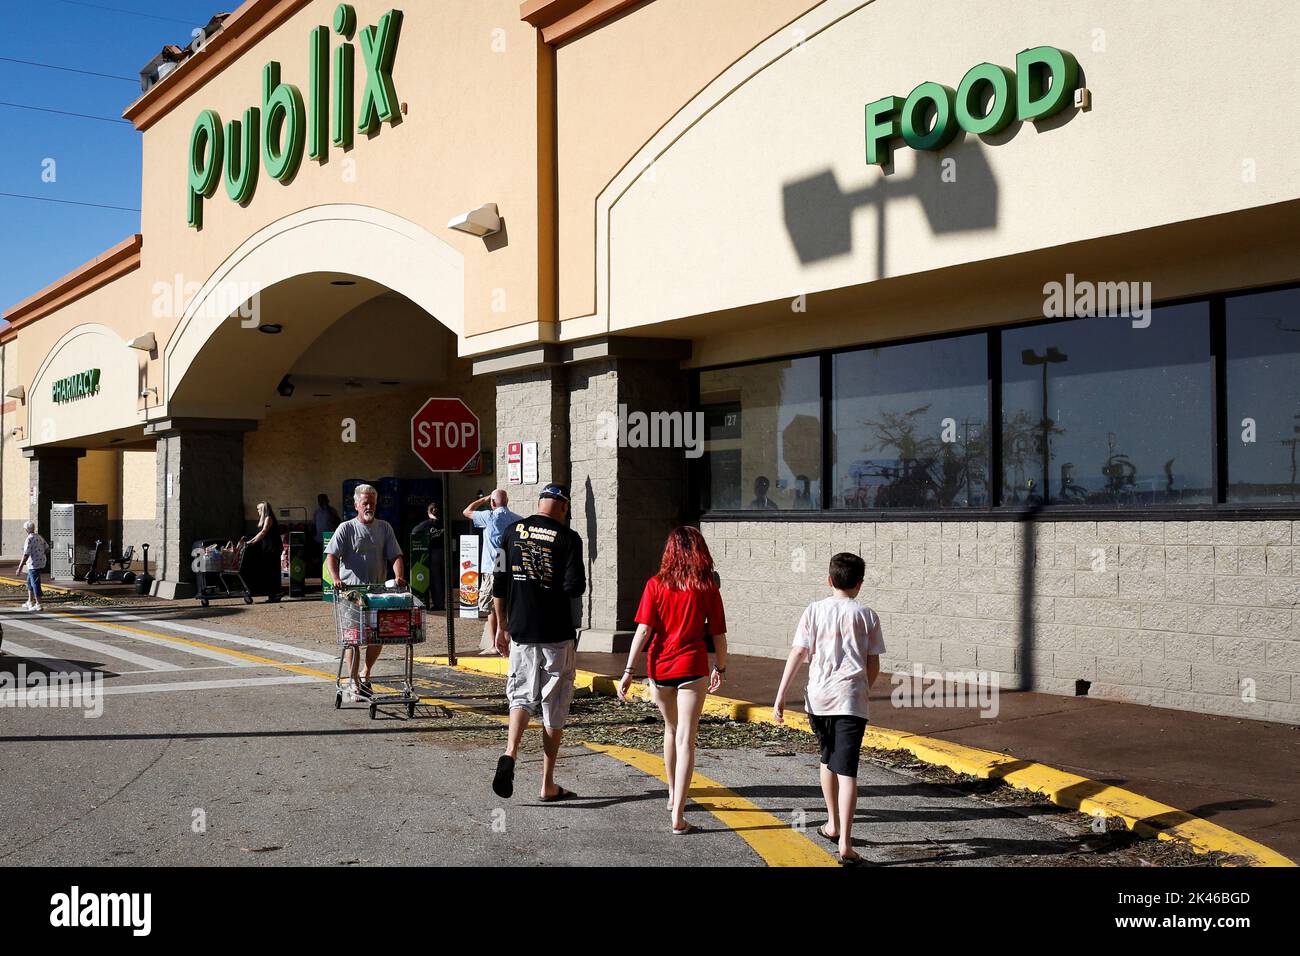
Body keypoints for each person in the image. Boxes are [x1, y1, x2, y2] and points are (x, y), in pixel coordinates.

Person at [772, 552, 884, 866]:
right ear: (859, 584)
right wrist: (864, 688)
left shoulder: (814, 610)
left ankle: (832, 822)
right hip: (850, 701)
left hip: (818, 701)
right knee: (847, 771)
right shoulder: (867, 615)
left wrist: (780, 695)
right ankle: (845, 843)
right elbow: (873, 662)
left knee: (827, 757)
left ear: (829, 580)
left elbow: (798, 653)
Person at [617, 527, 729, 835]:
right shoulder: (706, 586)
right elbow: (718, 634)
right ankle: (678, 814)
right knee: (687, 739)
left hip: (660, 668)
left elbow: (643, 631)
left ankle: (670, 795)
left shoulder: (655, 584)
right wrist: (721, 666)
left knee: (671, 729)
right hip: (692, 666)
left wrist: (628, 671)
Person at [490, 483, 585, 802]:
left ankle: (510, 753)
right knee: (553, 707)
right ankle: (547, 783)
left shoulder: (511, 531)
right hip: (556, 634)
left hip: (520, 631)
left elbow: (499, 583)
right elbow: (575, 587)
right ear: (564, 508)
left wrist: (501, 628)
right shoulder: (568, 538)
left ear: (540, 503)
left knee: (520, 697)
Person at [327, 484, 407, 703]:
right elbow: (331, 556)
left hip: (377, 592)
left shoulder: (384, 528)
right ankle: (353, 681)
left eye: (372, 502)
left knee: (377, 636)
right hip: (351, 594)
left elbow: (396, 556)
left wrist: (398, 576)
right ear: (356, 506)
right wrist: (336, 578)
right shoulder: (346, 528)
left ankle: (365, 672)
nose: (369, 506)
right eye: (365, 503)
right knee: (353, 639)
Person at [463, 489, 521, 654]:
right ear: (507, 501)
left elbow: (466, 511)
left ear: (493, 503)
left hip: (492, 567)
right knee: (507, 606)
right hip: (509, 567)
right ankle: (508, 641)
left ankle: (495, 645)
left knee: (491, 607)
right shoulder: (517, 519)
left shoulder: (489, 516)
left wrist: (483, 500)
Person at [242, 502, 283, 603]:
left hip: (273, 548)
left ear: (264, 509)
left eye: (259, 509)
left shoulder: (268, 518)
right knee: (269, 571)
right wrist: (250, 541)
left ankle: (276, 593)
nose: (258, 511)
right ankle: (272, 594)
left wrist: (252, 542)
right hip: (267, 548)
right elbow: (259, 533)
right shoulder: (264, 519)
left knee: (273, 570)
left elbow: (263, 532)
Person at [410, 501, 445, 612]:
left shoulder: (426, 524)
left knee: (429, 577)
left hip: (431, 552)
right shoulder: (444, 523)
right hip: (443, 553)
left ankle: (424, 602)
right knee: (439, 579)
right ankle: (439, 603)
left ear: (428, 511)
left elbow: (414, 531)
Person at [15, 520, 49, 612]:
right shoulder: (39, 537)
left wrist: (20, 567)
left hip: (33, 564)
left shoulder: (29, 539)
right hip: (40, 562)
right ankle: (30, 601)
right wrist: (40, 555)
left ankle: (38, 603)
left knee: (35, 583)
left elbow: (26, 554)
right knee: (30, 582)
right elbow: (47, 548)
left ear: (26, 529)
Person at [313, 493, 341, 559]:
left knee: (328, 559)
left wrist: (328, 510)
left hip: (329, 539)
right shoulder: (317, 512)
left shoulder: (332, 511)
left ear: (327, 501)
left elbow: (338, 522)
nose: (320, 502)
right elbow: (314, 524)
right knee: (319, 559)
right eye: (319, 500)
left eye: (322, 500)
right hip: (319, 539)